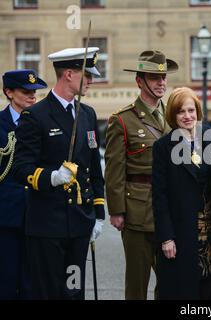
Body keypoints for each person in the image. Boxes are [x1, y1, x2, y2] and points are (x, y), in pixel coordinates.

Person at [12, 47, 105, 299]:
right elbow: (21, 168)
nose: (91, 81)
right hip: (47, 224)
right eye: (86, 75)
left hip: (79, 222)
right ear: (68, 74)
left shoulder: (87, 114)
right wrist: (52, 177)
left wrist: (98, 214)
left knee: (74, 291)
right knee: (49, 293)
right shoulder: (35, 115)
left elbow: (94, 167)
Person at [152, 87, 211, 300]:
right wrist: (166, 238)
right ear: (173, 115)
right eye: (181, 111)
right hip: (182, 234)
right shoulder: (163, 147)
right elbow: (159, 196)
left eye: (191, 110)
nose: (187, 116)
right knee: (186, 290)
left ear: (198, 112)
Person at [104, 50, 176, 300]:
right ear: (139, 81)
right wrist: (116, 210)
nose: (161, 83)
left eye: (164, 77)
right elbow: (114, 169)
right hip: (138, 211)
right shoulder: (122, 120)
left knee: (171, 281)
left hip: (170, 209)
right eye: (154, 78)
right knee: (137, 284)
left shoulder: (174, 118)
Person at [0, 70, 47, 299]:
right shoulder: (0, 124)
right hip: (5, 216)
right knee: (6, 281)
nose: (32, 96)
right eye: (25, 91)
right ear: (9, 92)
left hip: (37, 213)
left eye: (35, 91)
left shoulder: (43, 122)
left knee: (33, 283)